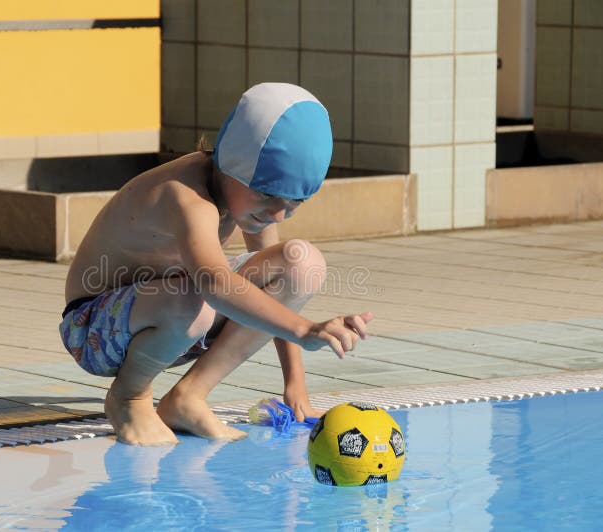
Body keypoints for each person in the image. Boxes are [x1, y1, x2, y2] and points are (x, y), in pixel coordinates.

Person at [59, 83, 373, 446]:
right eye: (267, 195)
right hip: (92, 331)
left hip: (172, 318)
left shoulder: (243, 197)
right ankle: (128, 397)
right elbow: (214, 284)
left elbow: (277, 293)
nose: (276, 213)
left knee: (300, 263)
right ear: (233, 166)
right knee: (197, 295)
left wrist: (295, 383)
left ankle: (188, 397)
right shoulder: (187, 197)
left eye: (294, 204)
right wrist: (304, 331)